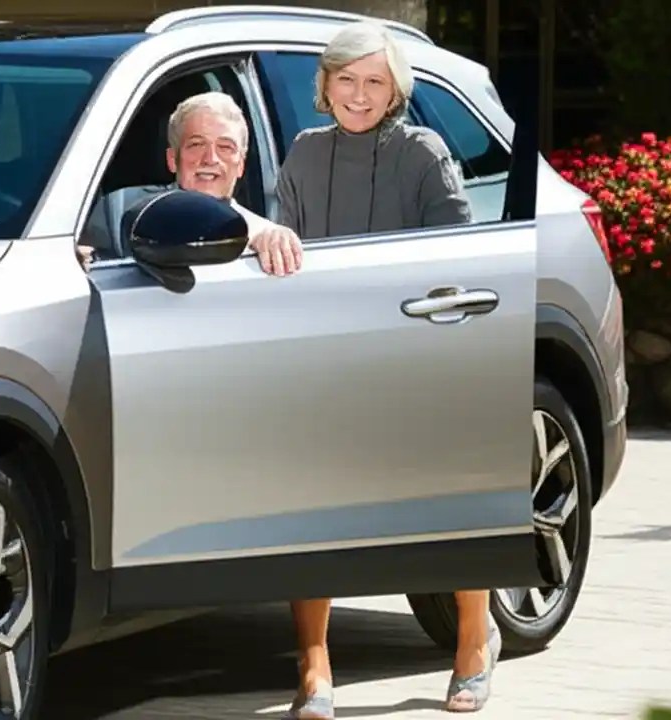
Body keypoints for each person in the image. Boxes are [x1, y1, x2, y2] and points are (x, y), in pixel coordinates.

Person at [272, 21, 491, 719]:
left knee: (445, 499)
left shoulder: (423, 151)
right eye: (346, 80)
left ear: (395, 88)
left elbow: (455, 257)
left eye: (374, 81)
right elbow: (287, 253)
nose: (359, 94)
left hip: (413, 353)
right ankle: (314, 666)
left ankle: (473, 645)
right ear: (325, 86)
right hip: (326, 360)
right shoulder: (303, 154)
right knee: (314, 509)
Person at [80, 91, 303, 276]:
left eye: (225, 147)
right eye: (196, 144)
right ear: (172, 159)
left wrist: (275, 239)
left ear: (241, 165)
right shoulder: (117, 207)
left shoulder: (261, 233)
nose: (210, 159)